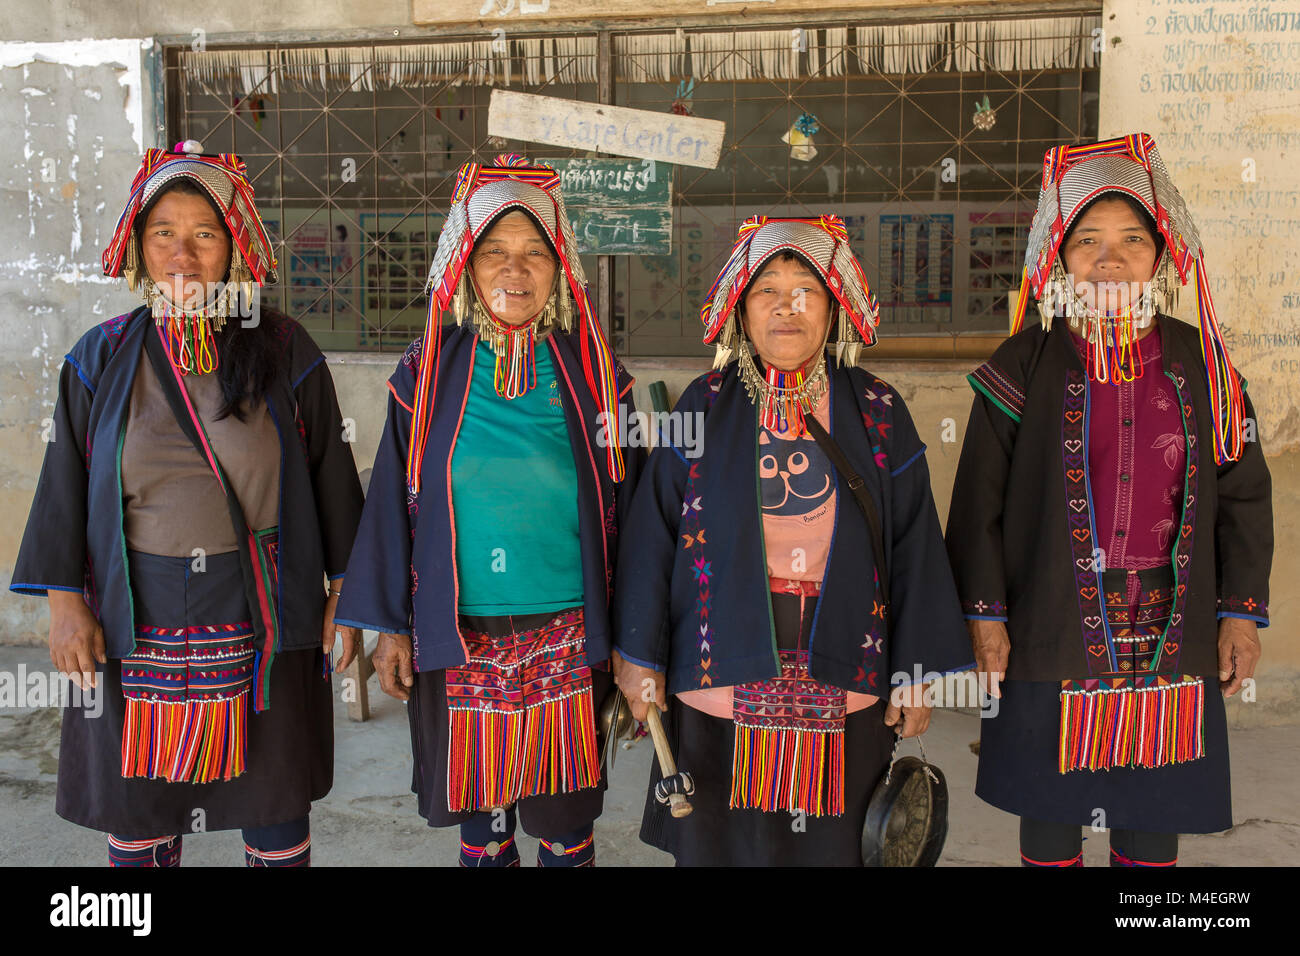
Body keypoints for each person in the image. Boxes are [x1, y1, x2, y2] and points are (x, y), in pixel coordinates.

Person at [11, 140, 365, 866]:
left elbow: (332, 475)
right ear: (140, 250)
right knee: (141, 809)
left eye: (205, 233)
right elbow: (62, 489)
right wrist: (63, 603)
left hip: (262, 612)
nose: (184, 253)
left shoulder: (286, 351)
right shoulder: (99, 357)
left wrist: (346, 592)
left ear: (233, 248)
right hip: (133, 617)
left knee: (272, 807)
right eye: (163, 233)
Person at [946, 133, 1273, 867]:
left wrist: (1240, 614)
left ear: (1160, 254)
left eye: (1131, 238)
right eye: (1087, 238)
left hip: (1173, 628)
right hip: (1047, 622)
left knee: (1154, 809)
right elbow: (978, 506)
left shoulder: (1204, 364)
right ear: (1059, 256)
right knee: (1051, 807)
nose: (1110, 256)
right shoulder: (1024, 363)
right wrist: (985, 615)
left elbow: (1246, 495)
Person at [612, 215, 972, 866]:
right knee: (723, 846)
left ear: (834, 308)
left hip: (844, 670)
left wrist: (915, 673)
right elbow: (652, 538)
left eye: (805, 287)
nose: (786, 305)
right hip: (719, 672)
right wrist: (638, 654)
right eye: (765, 290)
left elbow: (915, 546)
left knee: (834, 850)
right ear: (740, 312)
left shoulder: (879, 411)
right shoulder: (702, 405)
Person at [335, 154, 644, 867]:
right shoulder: (425, 372)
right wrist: (392, 628)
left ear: (560, 267)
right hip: (460, 635)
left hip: (567, 634)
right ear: (467, 267)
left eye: (535, 251)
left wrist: (635, 640)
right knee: (484, 826)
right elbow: (389, 502)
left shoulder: (597, 376)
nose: (516, 267)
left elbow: (633, 514)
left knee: (565, 826)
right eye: (496, 251)